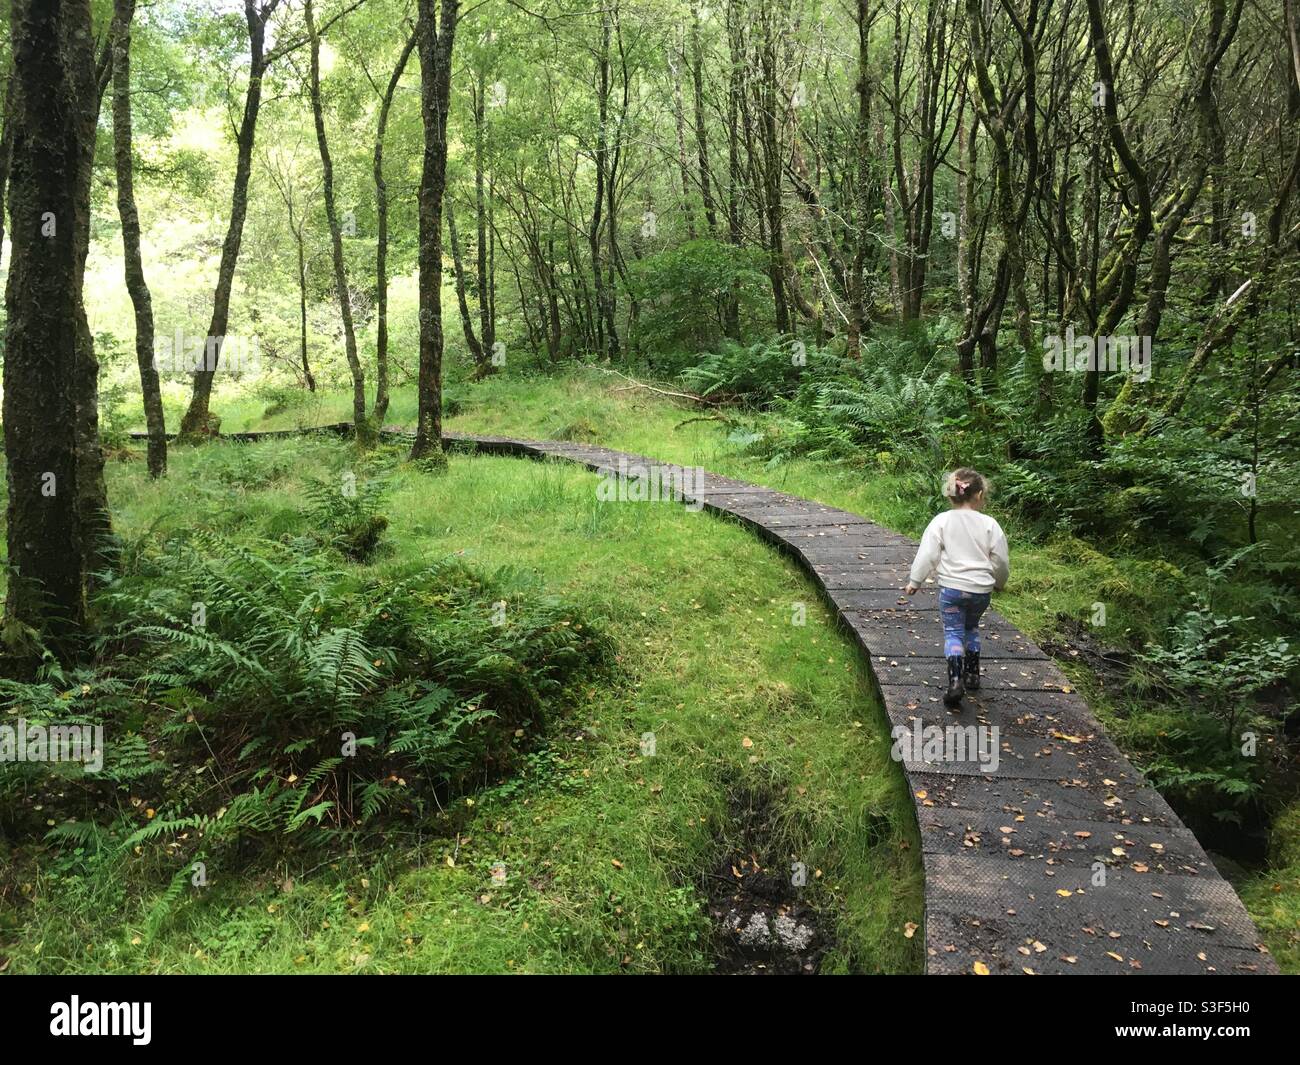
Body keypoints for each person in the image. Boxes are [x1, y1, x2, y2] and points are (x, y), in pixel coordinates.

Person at [904, 468, 1010, 708]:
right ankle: (973, 675)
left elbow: (928, 554)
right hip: (980, 591)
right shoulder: (989, 524)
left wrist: (915, 581)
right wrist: (999, 582)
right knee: (971, 628)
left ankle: (955, 681)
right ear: (980, 494)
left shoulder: (941, 521)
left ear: (951, 495)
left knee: (953, 632)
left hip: (951, 590)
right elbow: (1001, 560)